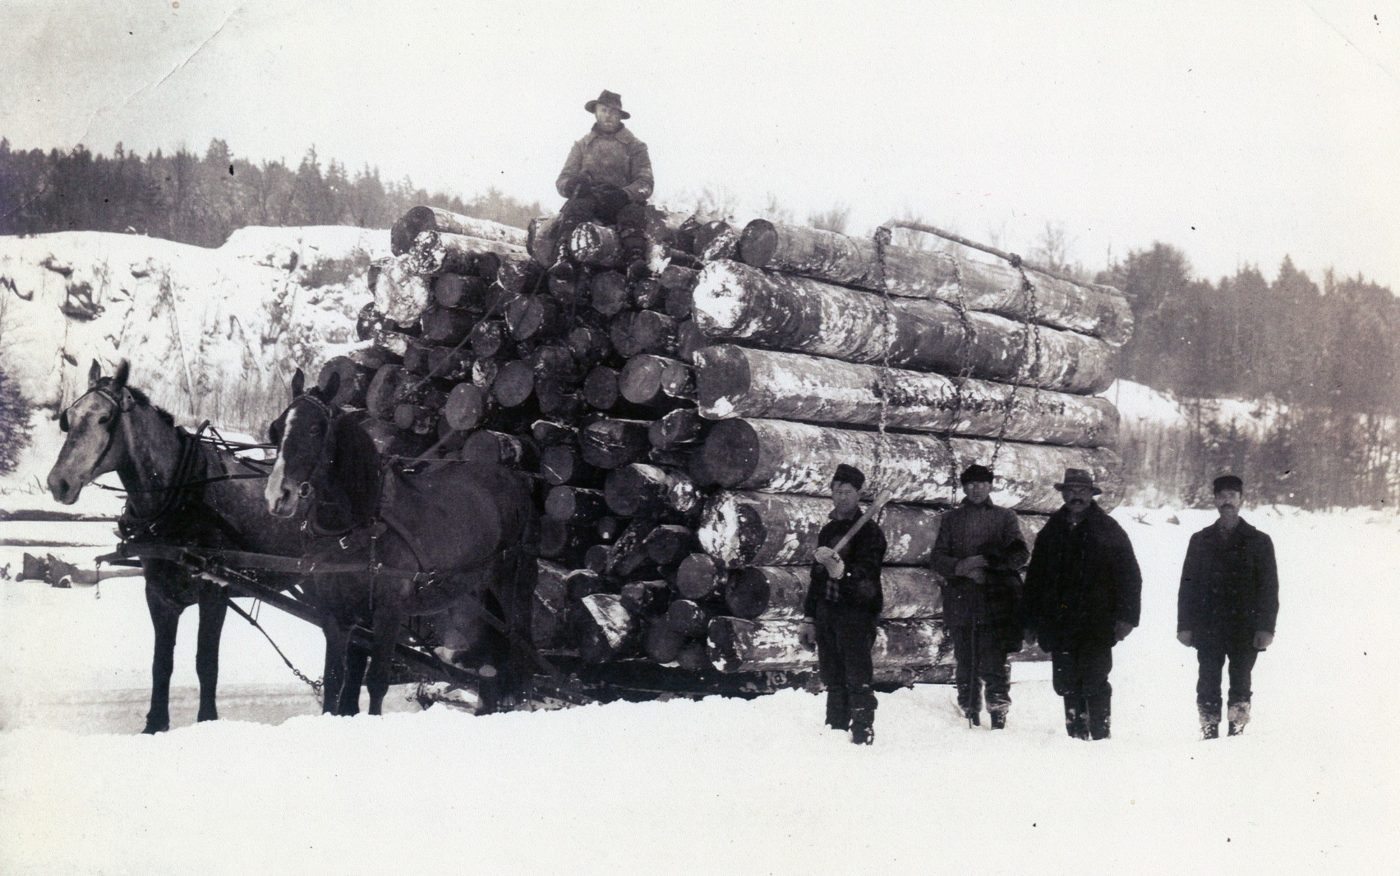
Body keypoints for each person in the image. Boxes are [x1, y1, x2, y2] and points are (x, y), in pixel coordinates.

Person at [1024, 468, 1141, 740]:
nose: (1076, 496)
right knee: (1066, 681)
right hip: (1059, 621)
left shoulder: (1108, 530)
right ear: (1063, 493)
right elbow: (1035, 579)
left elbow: (1130, 577)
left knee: (1095, 679)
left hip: (1097, 622)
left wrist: (1126, 618)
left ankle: (1100, 734)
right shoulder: (1051, 531)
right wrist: (1029, 621)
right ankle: (1075, 733)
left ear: (1091, 494)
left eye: (1082, 490)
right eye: (1071, 490)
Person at [1176, 474, 1279, 739]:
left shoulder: (1259, 541)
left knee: (1241, 681)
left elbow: (1269, 589)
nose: (1227, 502)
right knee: (1208, 681)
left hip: (1245, 627)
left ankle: (1237, 730)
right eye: (1222, 496)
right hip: (1209, 626)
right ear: (1215, 500)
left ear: (1241, 500)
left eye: (1232, 496)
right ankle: (1209, 729)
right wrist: (1185, 626)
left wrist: (1266, 627)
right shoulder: (1200, 540)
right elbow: (1188, 586)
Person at [929, 464, 1029, 729]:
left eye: (982, 484)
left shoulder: (1005, 517)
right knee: (966, 658)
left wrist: (988, 565)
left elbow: (1020, 555)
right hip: (962, 599)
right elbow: (938, 557)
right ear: (964, 487)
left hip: (995, 598)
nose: (977, 489)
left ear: (990, 486)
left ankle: (998, 711)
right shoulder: (951, 519)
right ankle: (969, 710)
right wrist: (962, 568)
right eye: (971, 484)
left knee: (994, 657)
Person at [803, 463, 888, 745]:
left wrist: (843, 572)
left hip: (856, 613)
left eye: (848, 492)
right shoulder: (828, 530)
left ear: (858, 494)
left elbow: (868, 575)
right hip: (828, 611)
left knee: (857, 673)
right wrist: (809, 618)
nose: (842, 497)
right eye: (837, 491)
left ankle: (863, 729)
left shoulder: (870, 532)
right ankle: (835, 728)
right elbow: (816, 578)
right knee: (832, 674)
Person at [553, 89, 654, 278]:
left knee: (633, 216)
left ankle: (634, 262)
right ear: (596, 112)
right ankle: (564, 257)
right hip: (590, 200)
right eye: (604, 110)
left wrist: (625, 194)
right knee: (574, 210)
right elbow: (563, 180)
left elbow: (645, 182)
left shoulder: (635, 146)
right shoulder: (582, 145)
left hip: (621, 202)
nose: (608, 116)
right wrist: (573, 185)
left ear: (619, 116)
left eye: (613, 112)